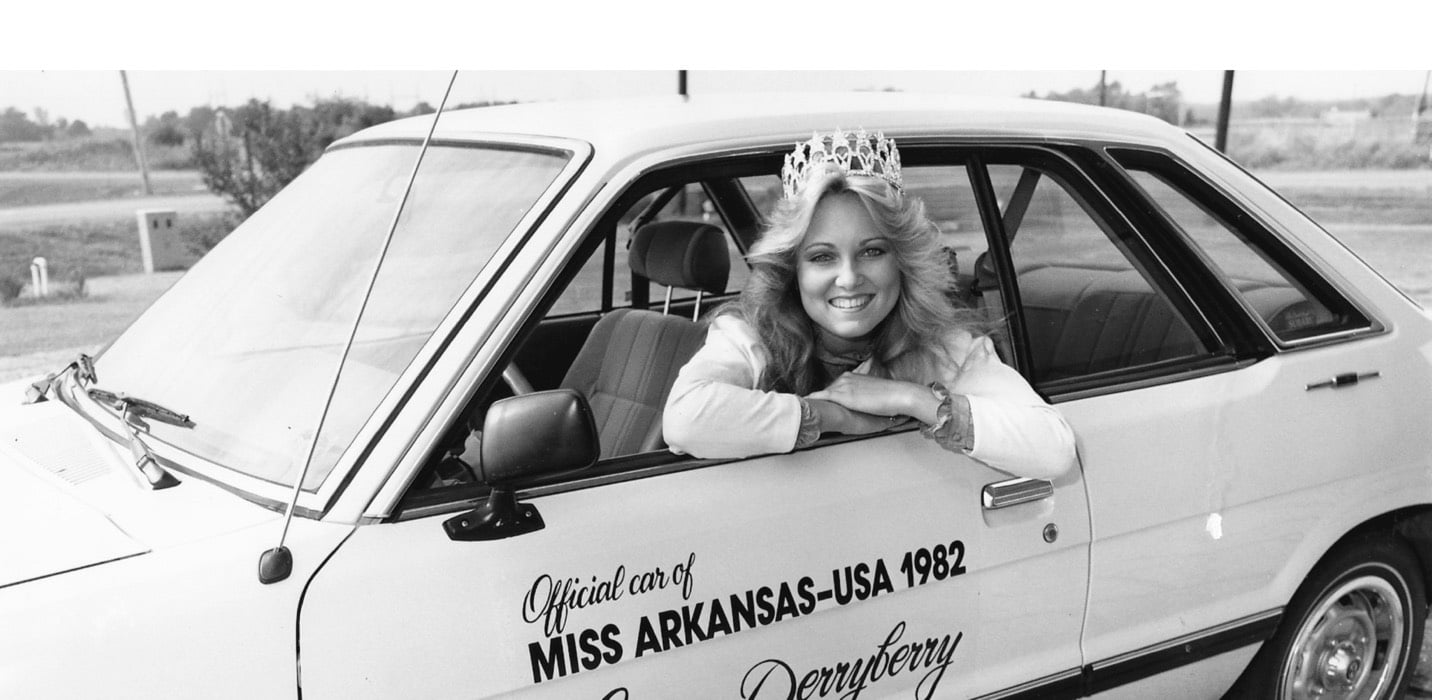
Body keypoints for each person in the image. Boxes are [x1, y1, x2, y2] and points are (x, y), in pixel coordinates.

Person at [661, 129, 1076, 480]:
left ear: (902, 260)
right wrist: (830, 416)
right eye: (822, 256)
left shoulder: (944, 348)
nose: (848, 278)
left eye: (872, 251)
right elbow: (684, 419)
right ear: (793, 270)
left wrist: (911, 399)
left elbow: (1053, 450)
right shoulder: (749, 335)